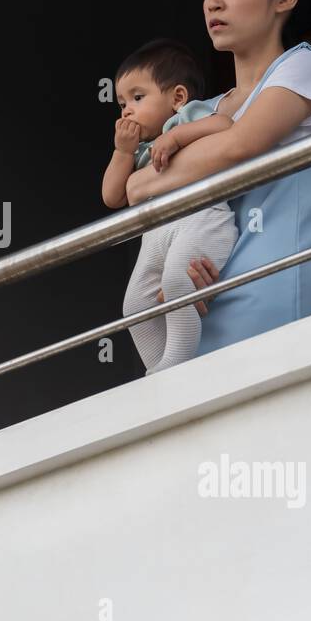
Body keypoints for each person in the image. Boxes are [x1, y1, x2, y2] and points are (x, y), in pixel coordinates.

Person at [125, 0, 311, 357]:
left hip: (269, 298)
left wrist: (144, 182)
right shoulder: (205, 110)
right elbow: (147, 186)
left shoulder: (302, 66)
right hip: (200, 301)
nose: (214, 0)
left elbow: (237, 146)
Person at [102, 39, 238, 374]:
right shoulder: (138, 149)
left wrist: (176, 138)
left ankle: (176, 366)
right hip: (157, 236)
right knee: (135, 304)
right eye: (121, 103)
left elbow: (226, 126)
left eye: (137, 97)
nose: (127, 110)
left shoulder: (190, 117)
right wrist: (122, 152)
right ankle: (158, 372)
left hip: (203, 219)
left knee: (178, 281)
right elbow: (112, 196)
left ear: (177, 98)